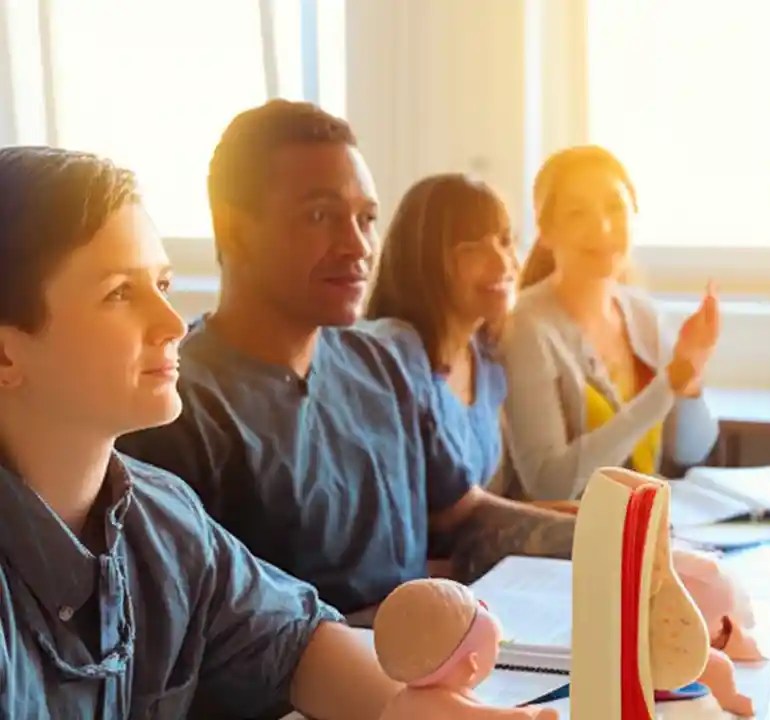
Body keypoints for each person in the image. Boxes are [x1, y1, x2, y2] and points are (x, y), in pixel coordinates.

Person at [117, 101, 575, 624]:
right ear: (235, 229)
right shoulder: (176, 410)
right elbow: (199, 636)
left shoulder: (381, 362)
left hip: (432, 663)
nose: (357, 246)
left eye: (366, 219)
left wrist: (615, 539)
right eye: (320, 216)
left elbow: (461, 514)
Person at [0, 147, 399, 718]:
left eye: (162, 283)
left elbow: (293, 643)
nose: (170, 324)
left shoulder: (163, 516)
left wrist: (423, 710)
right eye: (119, 293)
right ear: (5, 355)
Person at [502, 146, 721, 501]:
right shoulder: (527, 329)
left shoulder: (642, 313)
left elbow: (689, 451)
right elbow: (548, 484)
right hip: (569, 545)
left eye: (615, 208)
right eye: (577, 213)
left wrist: (691, 381)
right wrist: (665, 388)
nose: (602, 227)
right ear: (545, 230)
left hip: (647, 529)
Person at [365, 174, 514, 497]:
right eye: (473, 248)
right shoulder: (392, 354)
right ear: (425, 260)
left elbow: (485, 510)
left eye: (504, 240)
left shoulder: (487, 362)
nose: (503, 263)